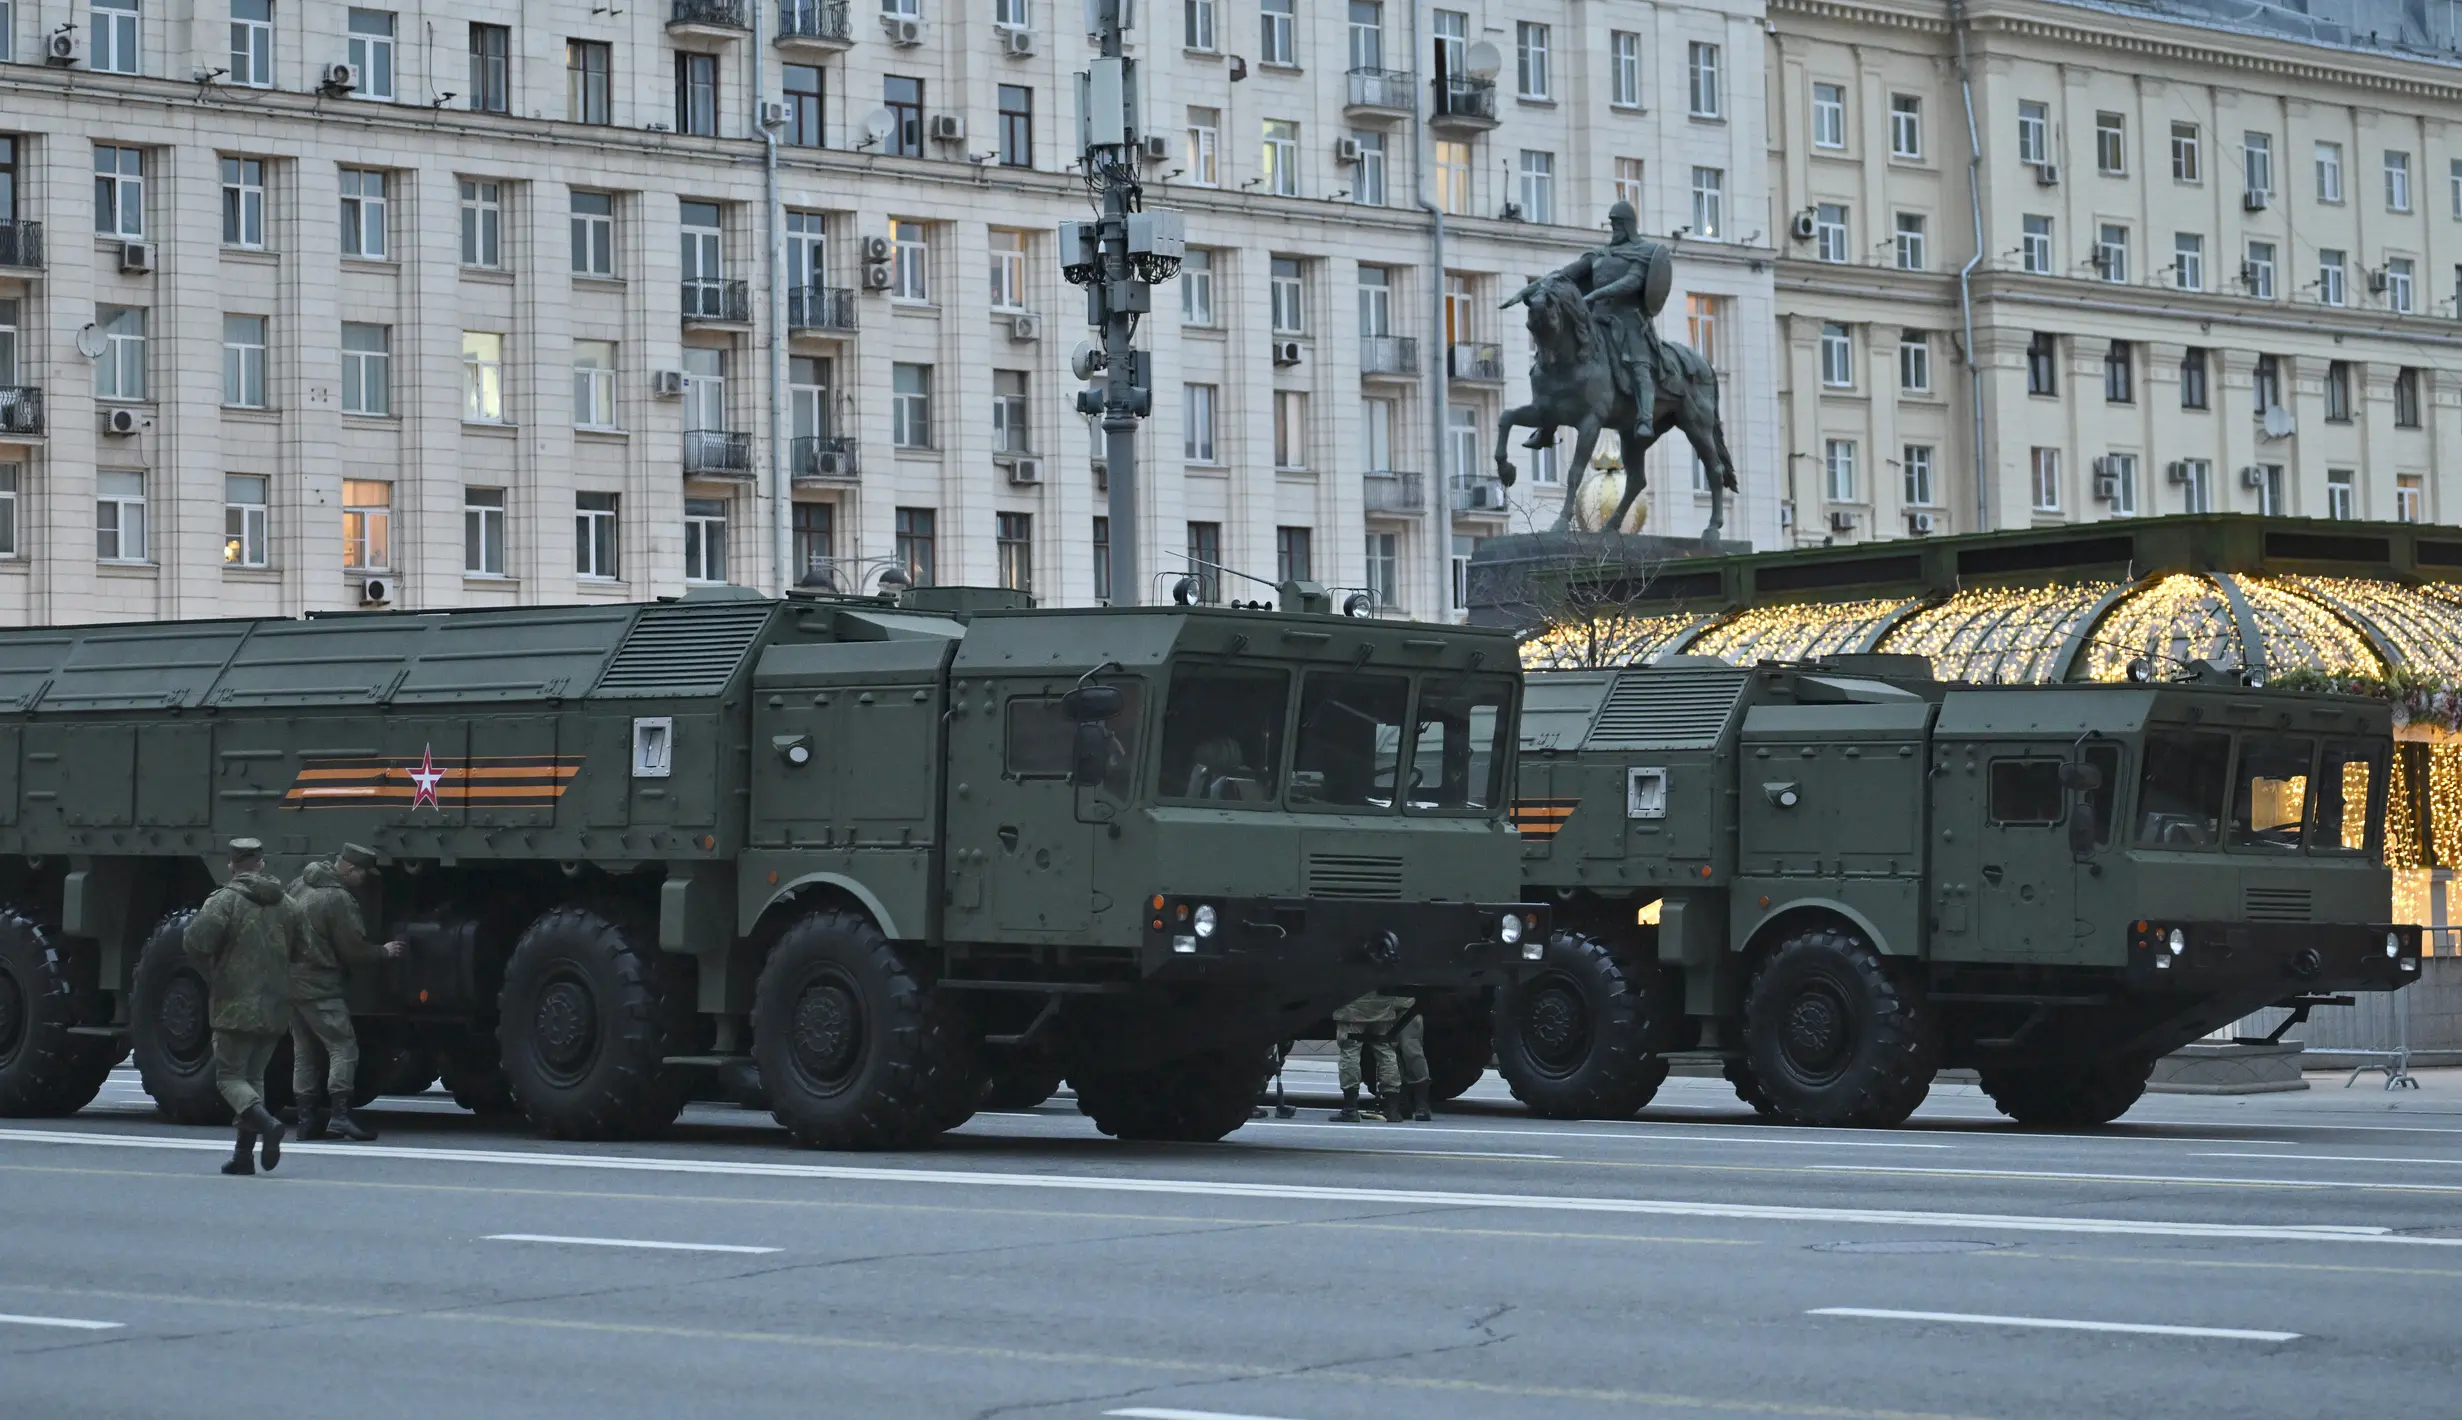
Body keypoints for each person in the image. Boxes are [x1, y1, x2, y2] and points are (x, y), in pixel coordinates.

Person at [181, 838, 301, 1176]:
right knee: (253, 1078)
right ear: (262, 864)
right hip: (276, 1008)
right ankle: (243, 1155)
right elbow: (304, 949)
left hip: (233, 1004)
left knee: (230, 1078)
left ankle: (267, 1124)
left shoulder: (224, 901)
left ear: (232, 866)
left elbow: (195, 941)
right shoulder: (289, 904)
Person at [1503, 200, 1672, 439]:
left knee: (1638, 364)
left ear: (1629, 225)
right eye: (1612, 225)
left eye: (1618, 225)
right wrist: (1528, 291)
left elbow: (1633, 281)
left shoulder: (1643, 252)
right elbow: (1563, 275)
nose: (1614, 229)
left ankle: (1645, 418)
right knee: (1560, 357)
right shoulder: (1598, 255)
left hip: (1629, 320)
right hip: (1597, 318)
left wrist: (1599, 293)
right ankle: (1546, 423)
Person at [287, 843, 405, 1142]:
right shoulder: (337, 898)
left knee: (304, 1053)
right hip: (321, 985)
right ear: (350, 869)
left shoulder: (299, 884)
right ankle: (340, 1117)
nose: (365, 879)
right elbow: (353, 950)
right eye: (363, 873)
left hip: (291, 982)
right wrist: (384, 951)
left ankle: (306, 1121)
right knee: (343, 1047)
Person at [1331, 992, 1411, 1123]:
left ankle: (1351, 1108)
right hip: (1382, 1006)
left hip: (1353, 1006)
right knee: (1386, 1051)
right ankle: (1393, 1109)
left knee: (1350, 1051)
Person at [1394, 1009, 1435, 1122]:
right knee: (1390, 1055)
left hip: (1406, 1008)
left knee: (1411, 1051)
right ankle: (1401, 1102)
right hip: (1383, 1008)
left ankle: (1421, 1104)